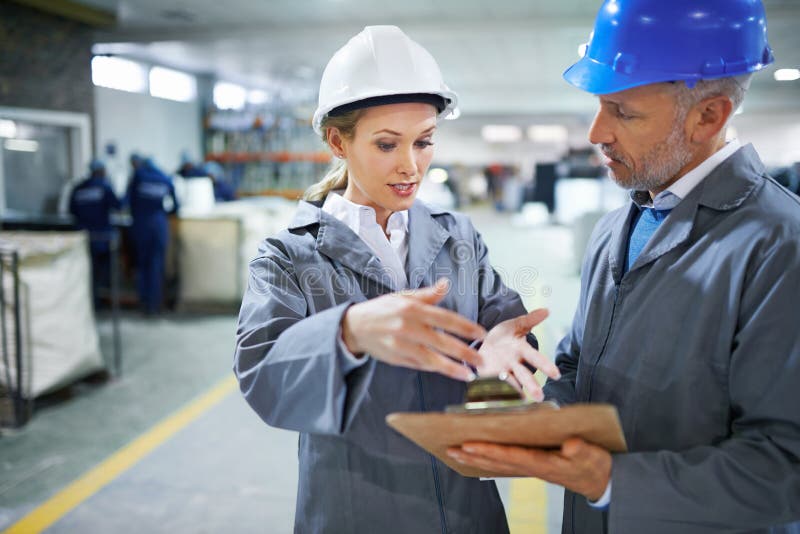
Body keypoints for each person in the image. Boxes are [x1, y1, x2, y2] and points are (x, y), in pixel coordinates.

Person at [446, 1, 800, 533]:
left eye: (623, 112)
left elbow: (783, 468)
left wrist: (608, 480)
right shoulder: (617, 227)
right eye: (598, 106)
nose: (595, 132)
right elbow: (577, 370)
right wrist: (528, 405)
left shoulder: (779, 244)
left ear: (709, 117)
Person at [233, 25, 559, 534]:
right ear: (337, 141)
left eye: (424, 142)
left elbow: (504, 320)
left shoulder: (458, 238)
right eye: (387, 145)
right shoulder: (288, 256)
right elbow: (263, 379)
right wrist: (348, 331)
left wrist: (502, 347)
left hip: (465, 506)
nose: (411, 166)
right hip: (357, 506)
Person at [126, 157, 179, 315]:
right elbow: (176, 206)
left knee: (142, 265)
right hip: (159, 225)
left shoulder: (138, 176)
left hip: (141, 225)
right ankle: (156, 305)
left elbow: (127, 201)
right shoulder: (165, 178)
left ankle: (144, 303)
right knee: (157, 265)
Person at [69, 159, 122, 304]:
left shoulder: (78, 188)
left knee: (86, 271)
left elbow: (72, 211)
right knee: (102, 271)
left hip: (83, 238)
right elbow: (118, 206)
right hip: (102, 239)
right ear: (101, 171)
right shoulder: (104, 187)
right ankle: (98, 301)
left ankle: (90, 302)